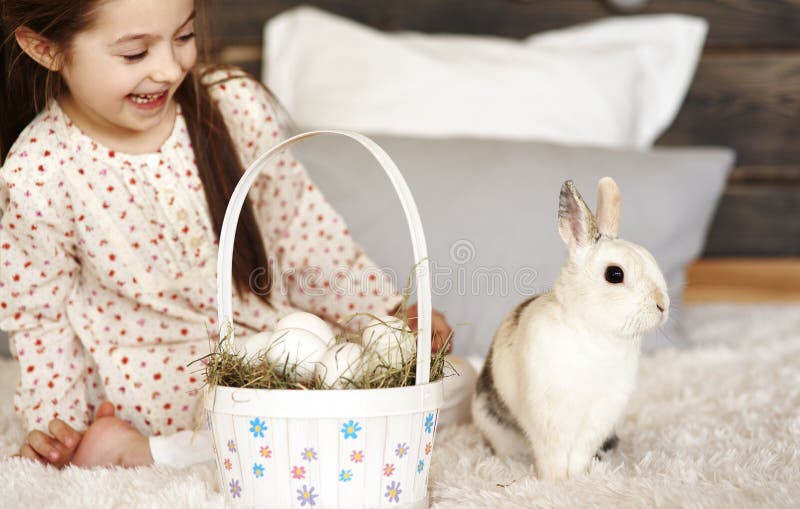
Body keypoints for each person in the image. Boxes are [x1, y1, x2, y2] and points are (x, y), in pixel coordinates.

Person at [0, 0, 473, 469]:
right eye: (135, 54)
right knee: (276, 413)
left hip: (278, 348)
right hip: (171, 386)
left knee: (458, 379)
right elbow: (41, 320)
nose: (169, 69)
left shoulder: (232, 105)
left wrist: (387, 314)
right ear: (46, 49)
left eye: (183, 37)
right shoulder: (40, 173)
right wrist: (57, 425)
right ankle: (143, 451)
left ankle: (306, 423)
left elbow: (302, 233)